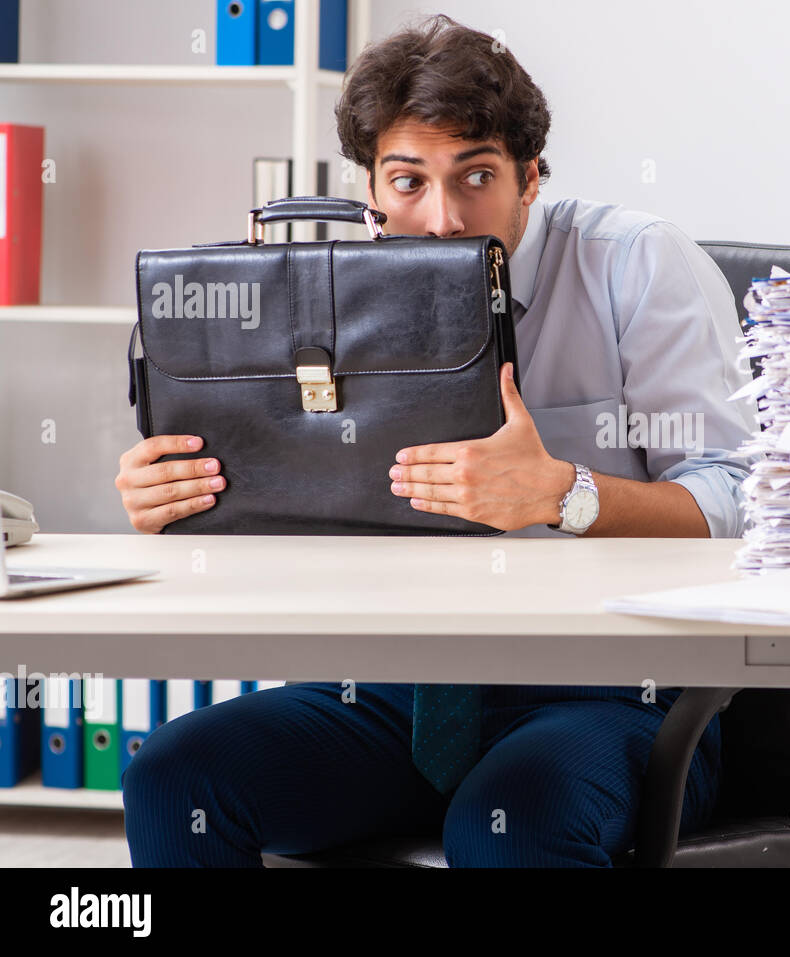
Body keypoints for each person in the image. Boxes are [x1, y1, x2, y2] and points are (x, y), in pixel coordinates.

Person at [116, 13, 757, 867]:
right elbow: (294, 506)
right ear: (373, 188)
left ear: (532, 178)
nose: (443, 219)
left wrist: (567, 495)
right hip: (392, 689)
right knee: (174, 775)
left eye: (477, 176)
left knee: (511, 822)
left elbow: (747, 501)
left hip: (610, 693)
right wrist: (180, 494)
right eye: (409, 182)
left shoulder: (637, 264)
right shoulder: (329, 292)